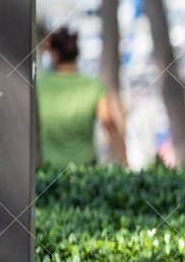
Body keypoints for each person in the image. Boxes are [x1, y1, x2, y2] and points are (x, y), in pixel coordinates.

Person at [37, 27, 127, 168]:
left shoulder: (39, 85)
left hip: (49, 171)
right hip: (85, 170)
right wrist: (124, 161)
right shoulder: (93, 86)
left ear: (54, 54)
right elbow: (108, 124)